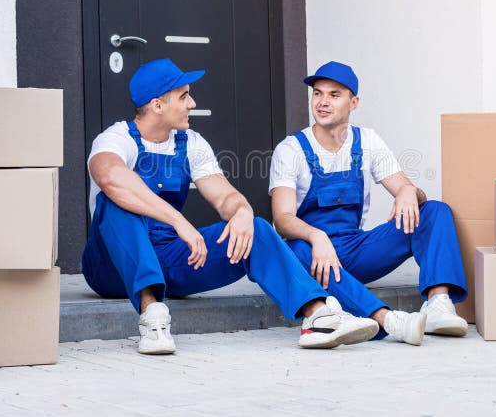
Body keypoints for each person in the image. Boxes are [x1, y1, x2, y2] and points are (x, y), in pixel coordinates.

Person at [81, 58, 379, 354]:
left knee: (257, 228)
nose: (192, 103)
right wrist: (179, 222)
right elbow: (110, 176)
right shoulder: (116, 138)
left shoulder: (192, 143)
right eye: (184, 96)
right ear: (157, 105)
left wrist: (242, 212)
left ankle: (317, 315)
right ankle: (152, 316)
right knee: (115, 199)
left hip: (169, 258)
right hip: (111, 268)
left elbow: (225, 197)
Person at [269, 61, 469, 341]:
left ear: (354, 103)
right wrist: (316, 237)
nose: (322, 102)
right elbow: (282, 219)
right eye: (318, 93)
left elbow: (405, 188)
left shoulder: (367, 142)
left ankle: (438, 304)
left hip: (355, 250)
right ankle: (387, 319)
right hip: (313, 257)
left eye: (334, 95)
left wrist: (409, 191)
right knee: (292, 250)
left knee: (434, 211)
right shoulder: (291, 150)